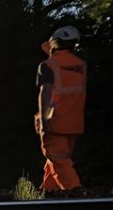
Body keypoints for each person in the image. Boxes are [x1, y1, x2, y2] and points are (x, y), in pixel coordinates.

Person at [34, 25, 86, 195]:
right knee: (56, 160)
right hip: (75, 123)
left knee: (58, 159)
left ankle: (75, 193)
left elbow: (46, 92)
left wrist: (43, 119)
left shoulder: (48, 65)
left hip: (54, 121)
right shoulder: (80, 65)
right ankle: (47, 193)